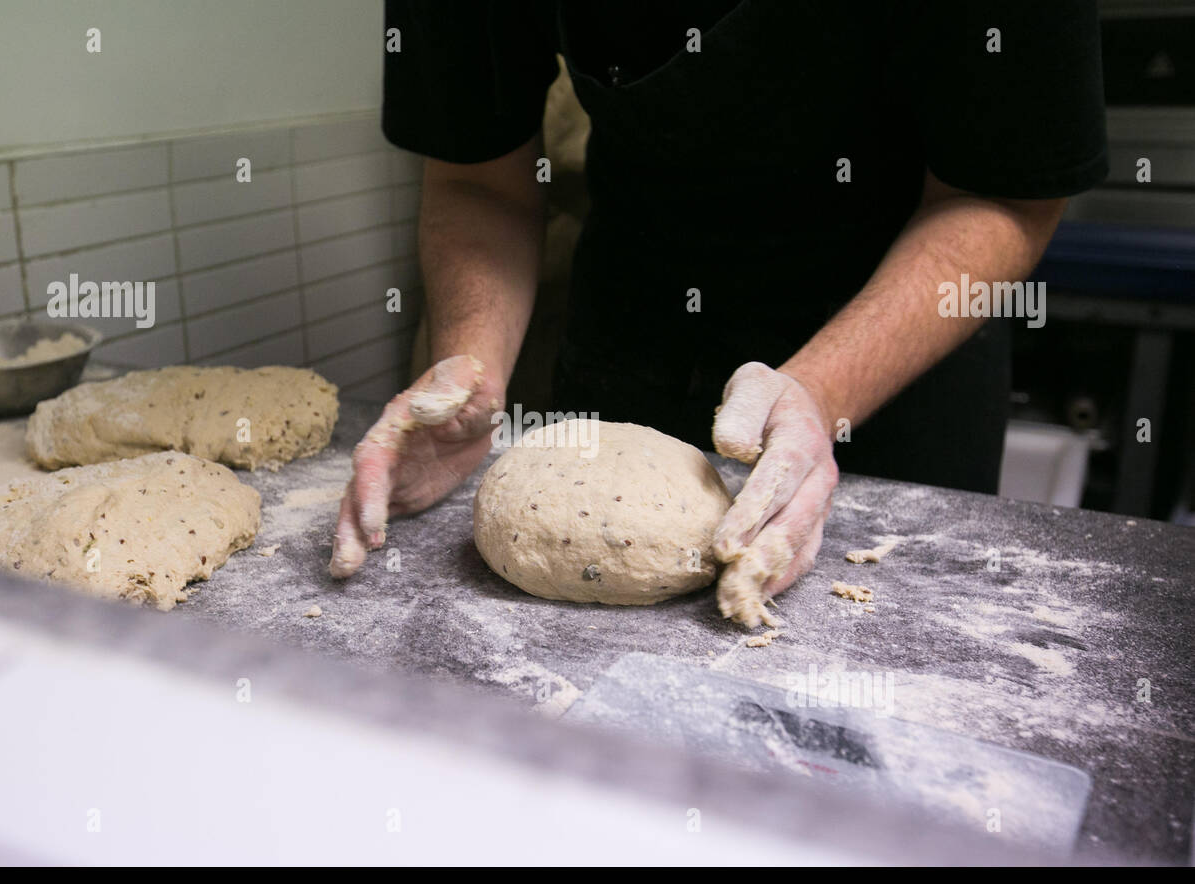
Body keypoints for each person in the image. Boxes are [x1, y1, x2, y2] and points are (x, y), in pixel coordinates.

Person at [331, 0, 1108, 624]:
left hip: (897, 348)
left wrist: (821, 395)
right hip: (632, 325)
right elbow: (479, 182)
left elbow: (1003, 195)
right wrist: (471, 363)